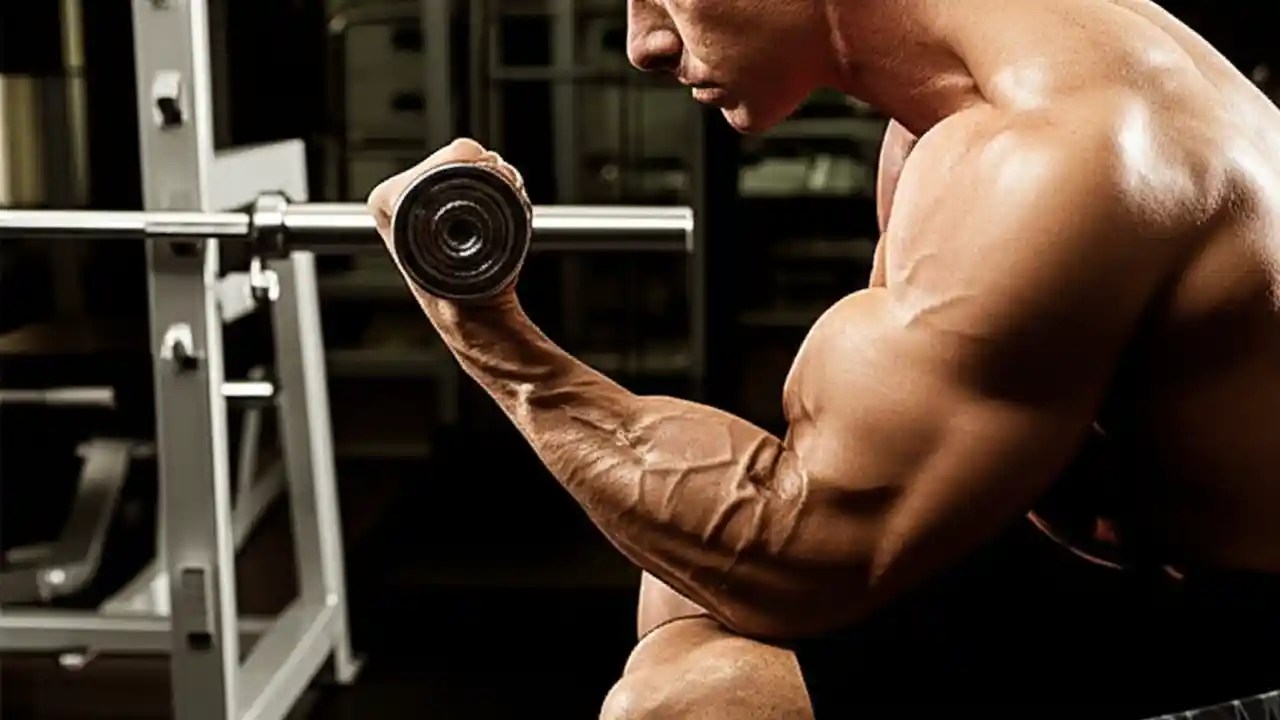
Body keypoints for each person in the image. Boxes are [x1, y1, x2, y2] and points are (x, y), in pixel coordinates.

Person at [366, 0, 1280, 716]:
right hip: (1121, 553)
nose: (644, 41)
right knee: (680, 573)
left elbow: (807, 548)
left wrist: (488, 336)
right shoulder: (967, 99)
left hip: (1245, 625)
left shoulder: (1060, 153)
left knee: (691, 702)